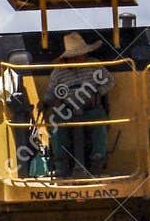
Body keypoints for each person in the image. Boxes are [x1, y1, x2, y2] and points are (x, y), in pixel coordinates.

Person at [43, 32, 110, 178]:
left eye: (81, 54)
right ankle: (62, 166)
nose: (80, 58)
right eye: (75, 56)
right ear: (68, 58)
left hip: (92, 108)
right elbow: (50, 93)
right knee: (56, 127)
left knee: (100, 124)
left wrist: (97, 93)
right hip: (66, 110)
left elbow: (109, 81)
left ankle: (97, 164)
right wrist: (44, 102)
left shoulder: (94, 66)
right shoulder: (58, 73)